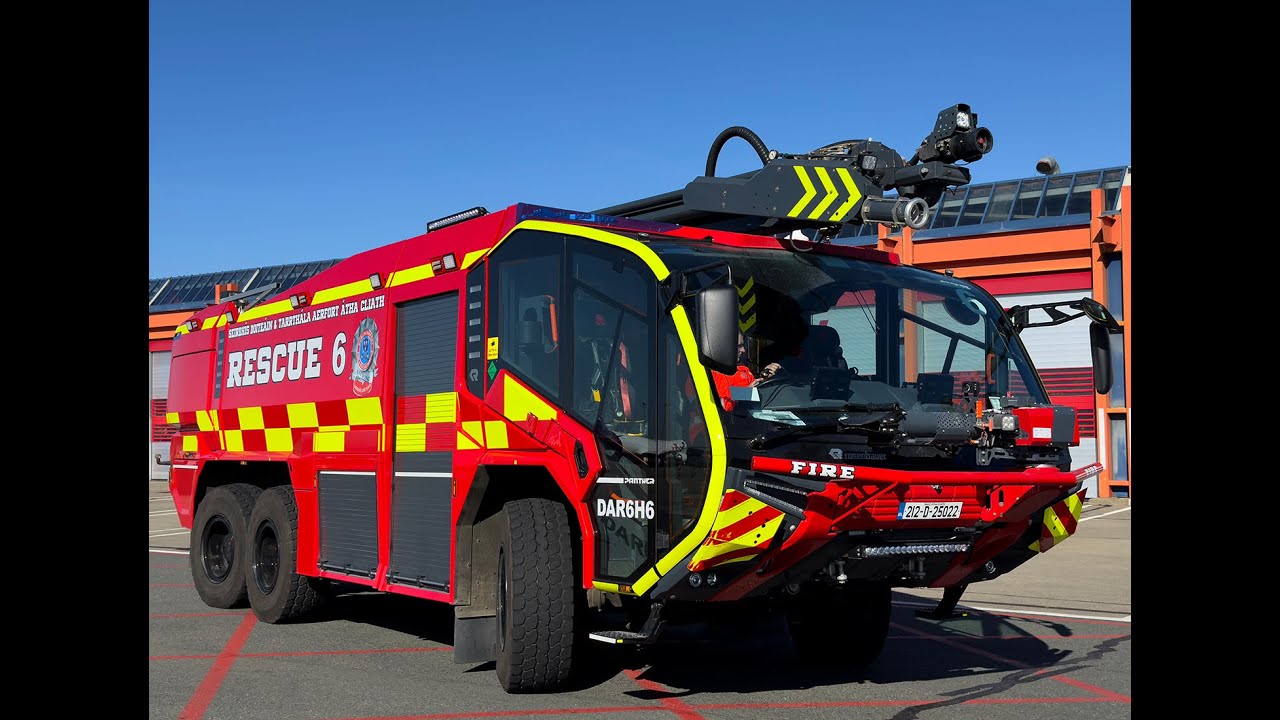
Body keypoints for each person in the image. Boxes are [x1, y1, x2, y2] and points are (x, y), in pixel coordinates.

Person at [711, 333, 782, 411]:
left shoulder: (744, 370)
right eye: (739, 346)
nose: (743, 350)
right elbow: (723, 406)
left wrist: (764, 378)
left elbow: (757, 399)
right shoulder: (710, 373)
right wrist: (746, 393)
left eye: (743, 345)